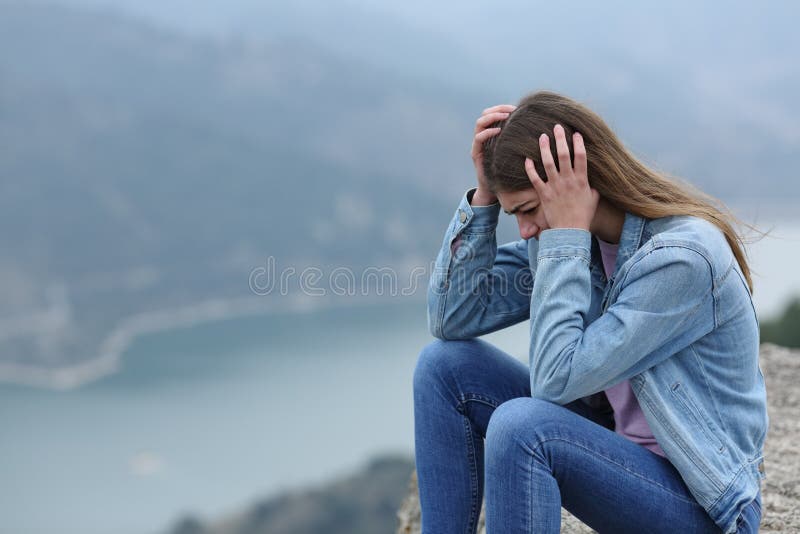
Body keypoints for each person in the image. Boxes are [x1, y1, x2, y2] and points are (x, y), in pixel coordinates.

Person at [413, 91, 767, 533]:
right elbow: (453, 317)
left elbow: (553, 382)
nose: (524, 231)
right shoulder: (574, 242)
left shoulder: (681, 258)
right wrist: (483, 197)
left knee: (522, 427)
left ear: (579, 186)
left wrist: (565, 237)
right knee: (442, 366)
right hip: (621, 460)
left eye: (526, 210)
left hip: (702, 505)